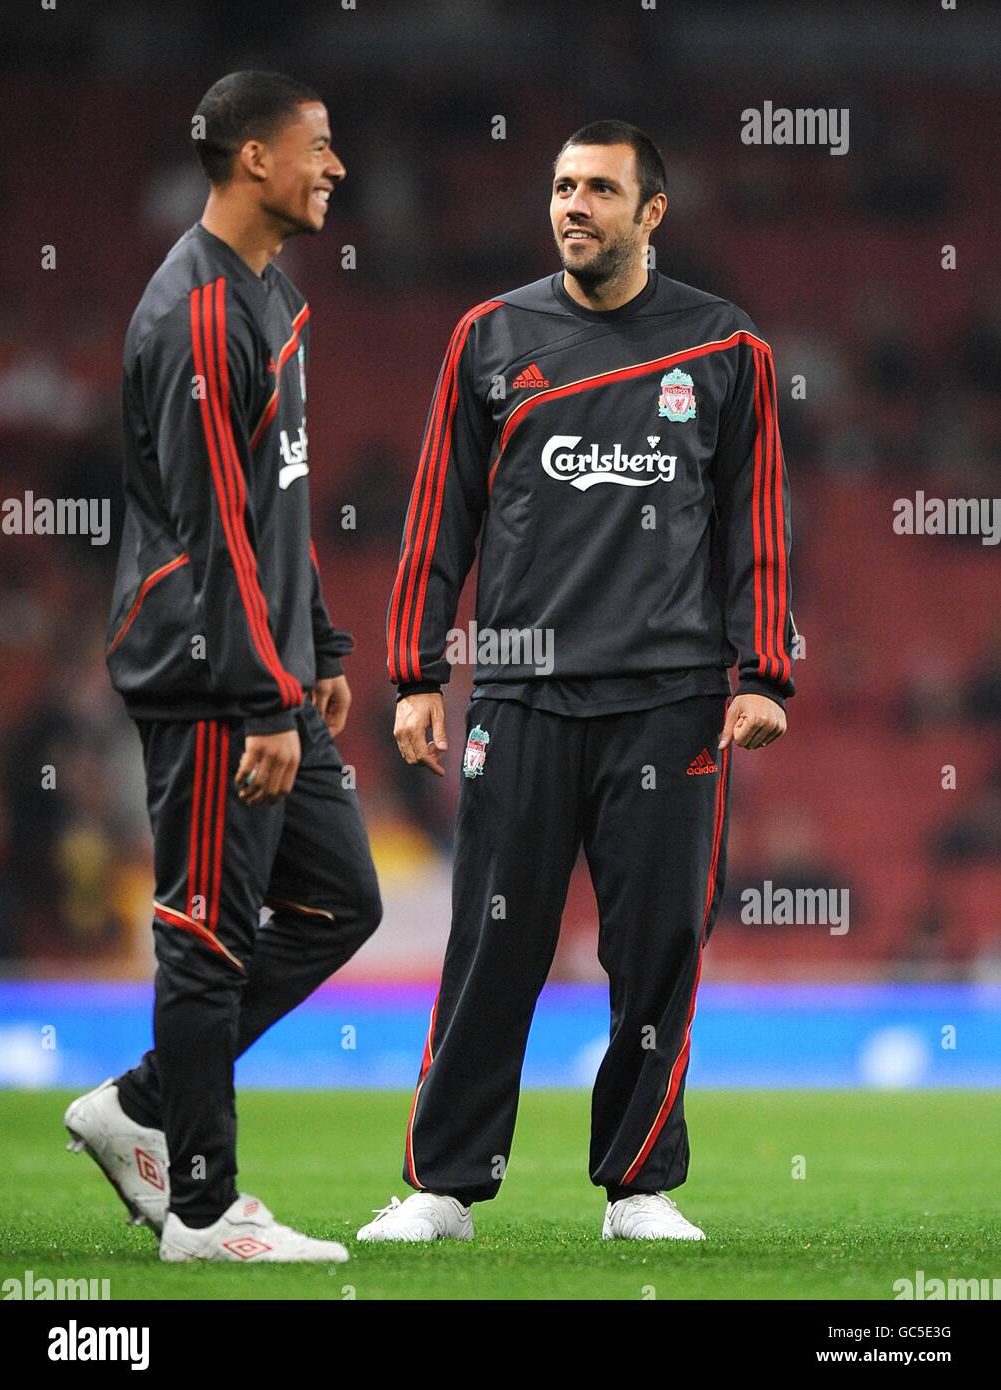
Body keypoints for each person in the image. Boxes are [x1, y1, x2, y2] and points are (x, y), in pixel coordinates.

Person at [361, 121, 796, 1244]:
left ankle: (639, 1190)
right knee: (492, 945)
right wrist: (413, 674)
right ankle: (442, 1188)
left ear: (652, 212)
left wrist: (763, 676)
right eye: (561, 186)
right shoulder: (489, 338)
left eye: (599, 189)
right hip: (518, 693)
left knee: (655, 951)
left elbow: (755, 526)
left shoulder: (723, 346)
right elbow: (434, 519)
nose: (573, 206)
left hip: (672, 700)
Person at [65, 71, 382, 1263]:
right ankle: (201, 1209)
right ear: (255, 159)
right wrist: (262, 694)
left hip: (266, 669)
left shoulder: (267, 295)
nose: (335, 166)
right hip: (210, 682)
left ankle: (145, 1102)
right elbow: (212, 531)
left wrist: (323, 645)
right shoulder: (198, 311)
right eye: (319, 144)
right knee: (206, 937)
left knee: (341, 900)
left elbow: (277, 500)